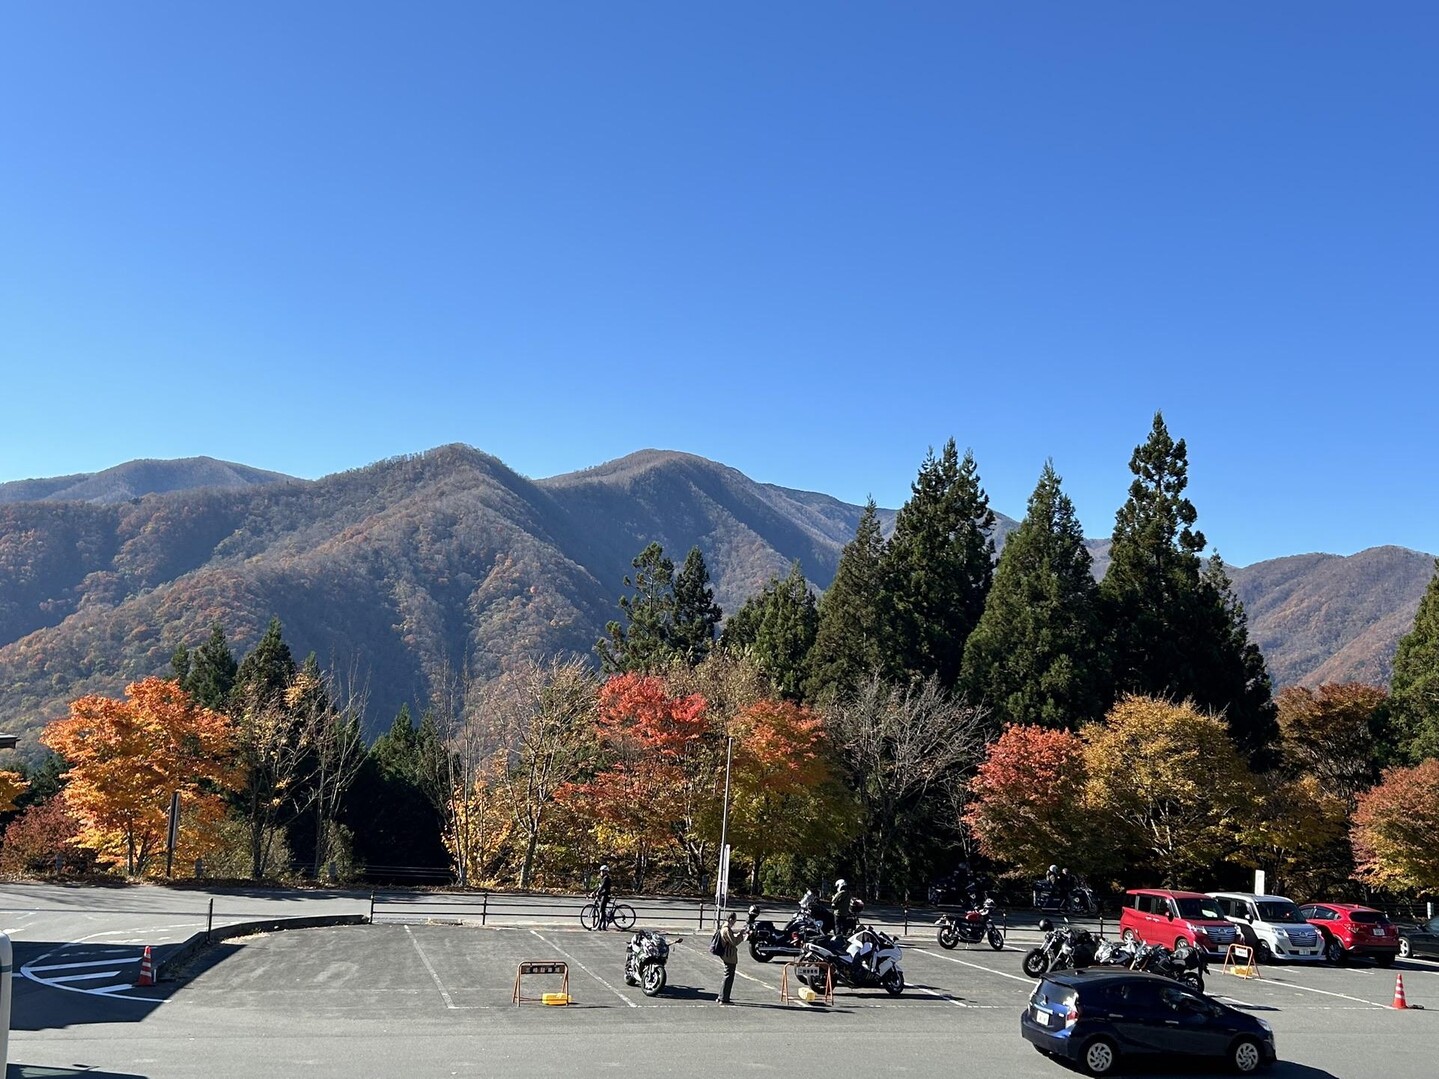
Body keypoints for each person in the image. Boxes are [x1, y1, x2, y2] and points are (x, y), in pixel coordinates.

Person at [717, 911, 747, 1004]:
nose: (734, 923)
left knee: (727, 975)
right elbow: (734, 942)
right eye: (734, 921)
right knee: (729, 976)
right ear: (730, 919)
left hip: (727, 954)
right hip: (729, 955)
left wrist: (739, 933)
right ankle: (724, 998)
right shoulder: (726, 929)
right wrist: (741, 936)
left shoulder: (724, 928)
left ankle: (721, 996)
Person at [593, 865, 613, 930]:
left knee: (601, 911)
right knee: (603, 911)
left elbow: (602, 887)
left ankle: (599, 926)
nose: (600, 872)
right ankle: (604, 926)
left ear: (605, 872)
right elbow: (599, 887)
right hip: (604, 895)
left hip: (605, 896)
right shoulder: (604, 878)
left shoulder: (606, 879)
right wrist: (594, 892)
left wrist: (598, 893)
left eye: (602, 871)